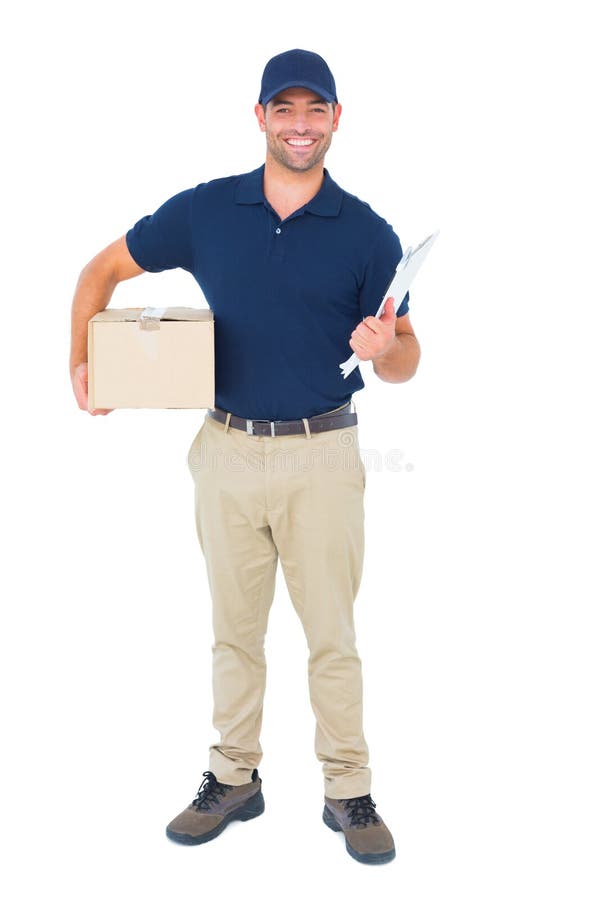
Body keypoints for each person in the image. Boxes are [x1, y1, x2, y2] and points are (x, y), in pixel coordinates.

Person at [70, 48, 420, 865]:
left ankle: (348, 789)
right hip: (224, 449)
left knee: (331, 633)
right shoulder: (207, 211)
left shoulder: (369, 233)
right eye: (285, 110)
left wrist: (386, 347)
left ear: (337, 120)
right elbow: (102, 268)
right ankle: (234, 776)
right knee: (234, 631)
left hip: (322, 455)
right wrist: (81, 360)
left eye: (316, 111)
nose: (300, 126)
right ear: (259, 116)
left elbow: (408, 360)